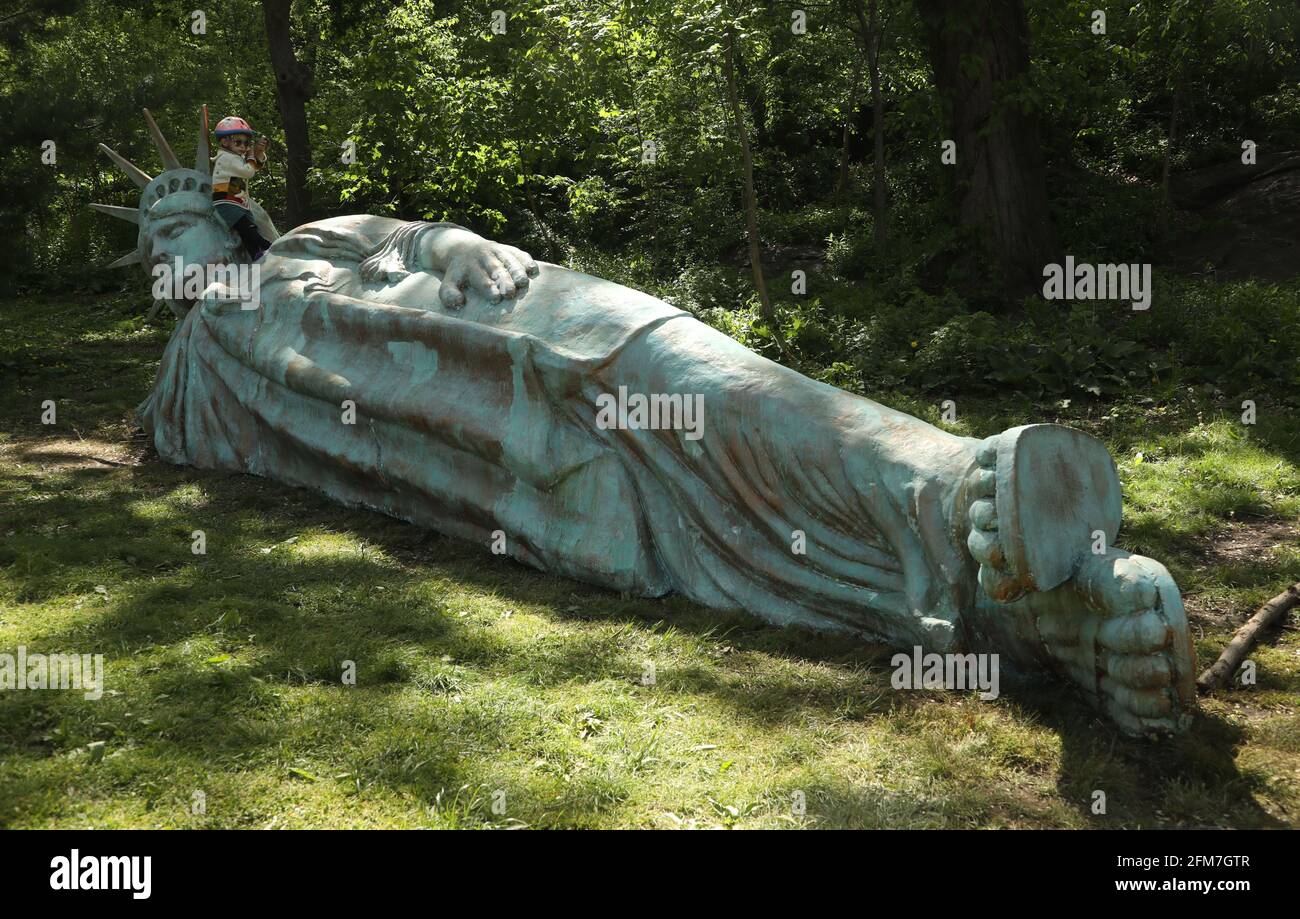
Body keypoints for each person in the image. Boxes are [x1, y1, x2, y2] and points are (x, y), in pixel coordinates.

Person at [210, 115, 273, 260]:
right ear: (224, 141)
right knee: (248, 229)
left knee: (246, 233)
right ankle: (268, 246)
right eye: (239, 143)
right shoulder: (226, 158)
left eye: (246, 143)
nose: (244, 147)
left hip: (238, 202)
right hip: (227, 202)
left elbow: (254, 166)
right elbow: (248, 171)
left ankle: (256, 255)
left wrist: (258, 152)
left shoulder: (234, 157)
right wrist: (251, 155)